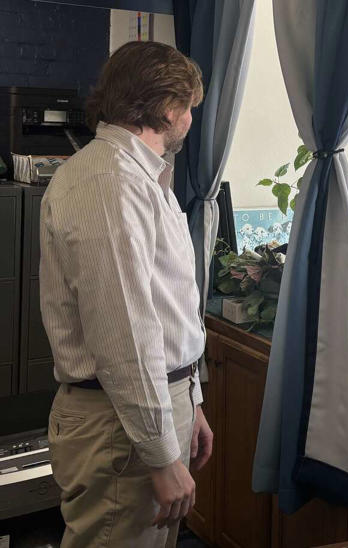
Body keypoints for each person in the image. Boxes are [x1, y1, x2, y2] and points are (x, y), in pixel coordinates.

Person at [40, 41, 213, 548]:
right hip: (119, 424)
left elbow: (167, 309)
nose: (190, 120)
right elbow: (124, 334)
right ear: (167, 108)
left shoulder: (142, 176)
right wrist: (161, 455)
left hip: (150, 407)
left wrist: (191, 401)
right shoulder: (109, 182)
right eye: (188, 108)